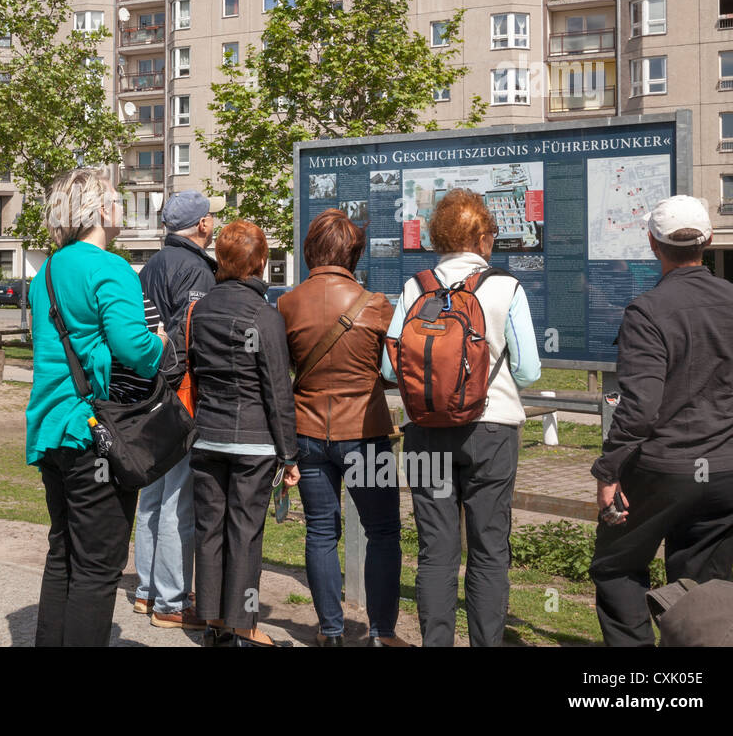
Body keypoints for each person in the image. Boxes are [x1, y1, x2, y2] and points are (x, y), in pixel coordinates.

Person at [589, 195, 733, 646]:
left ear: (652, 244)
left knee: (617, 567)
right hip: (729, 469)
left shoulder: (648, 310)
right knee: (702, 592)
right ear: (710, 240)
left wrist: (608, 470)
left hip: (664, 468)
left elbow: (640, 407)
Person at [380, 187, 541, 647]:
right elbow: (528, 371)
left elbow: (391, 368)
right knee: (490, 550)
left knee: (436, 551)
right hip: (492, 429)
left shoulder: (415, 287)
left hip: (427, 431)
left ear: (437, 237)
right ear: (485, 238)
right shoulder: (506, 287)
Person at [25, 168, 168, 647]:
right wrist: (162, 344)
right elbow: (133, 348)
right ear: (100, 211)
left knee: (62, 551)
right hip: (93, 434)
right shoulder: (110, 269)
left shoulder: (45, 272)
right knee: (99, 566)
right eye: (116, 199)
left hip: (50, 427)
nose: (122, 206)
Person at [278, 209, 403, 647]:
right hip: (365, 434)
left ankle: (330, 631)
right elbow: (391, 371)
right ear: (354, 252)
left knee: (320, 531)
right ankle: (383, 633)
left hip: (309, 432)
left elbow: (284, 369)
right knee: (383, 530)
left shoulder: (288, 303)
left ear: (312, 250)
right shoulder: (377, 304)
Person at [186, 219, 299, 646]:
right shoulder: (265, 316)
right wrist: (290, 456)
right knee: (246, 535)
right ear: (261, 262)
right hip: (253, 441)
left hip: (208, 435)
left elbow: (190, 368)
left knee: (210, 530)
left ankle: (214, 625)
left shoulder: (201, 309)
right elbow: (277, 389)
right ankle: (239, 624)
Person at [132, 189, 223, 629]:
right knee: (177, 499)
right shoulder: (197, 269)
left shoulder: (151, 265)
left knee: (151, 494)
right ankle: (170, 600)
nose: (214, 224)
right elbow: (190, 339)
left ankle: (147, 592)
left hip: (147, 394)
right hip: (181, 395)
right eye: (211, 219)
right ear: (202, 225)